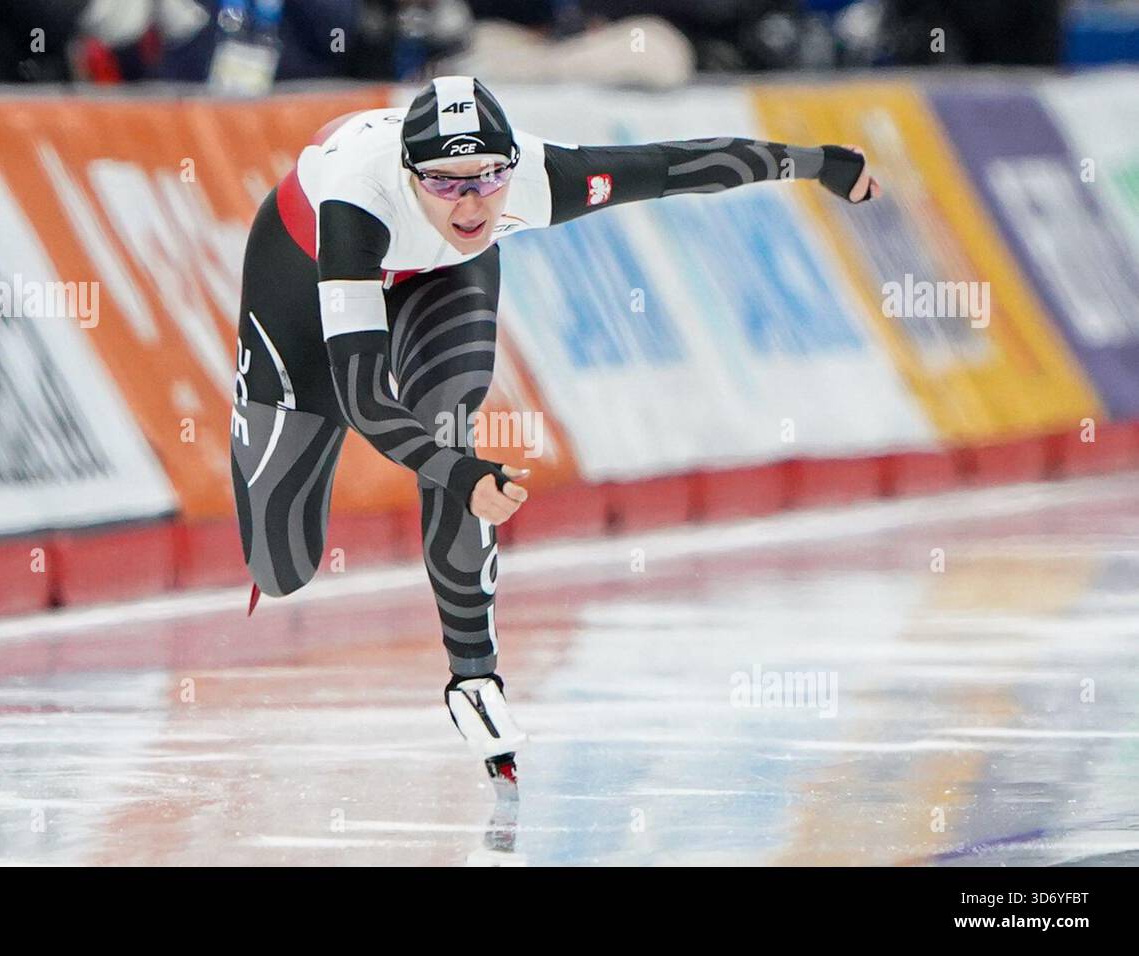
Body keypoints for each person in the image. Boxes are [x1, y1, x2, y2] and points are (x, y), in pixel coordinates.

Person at [230, 75, 880, 787]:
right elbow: (365, 396)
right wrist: (462, 478)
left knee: (449, 421)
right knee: (282, 562)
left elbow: (677, 167)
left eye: (488, 178)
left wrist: (818, 163)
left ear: (514, 164)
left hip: (442, 271)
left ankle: (475, 679)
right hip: (301, 266)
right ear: (412, 175)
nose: (473, 203)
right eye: (447, 184)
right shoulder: (361, 201)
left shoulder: (541, 178)